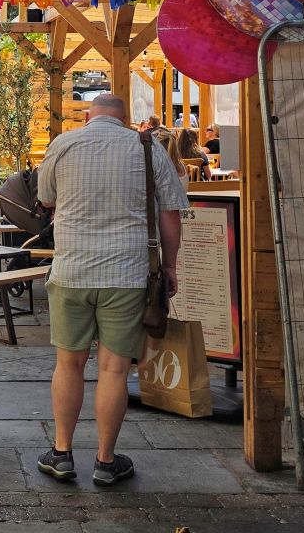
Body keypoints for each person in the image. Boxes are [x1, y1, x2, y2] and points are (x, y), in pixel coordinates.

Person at [36, 93, 186, 487]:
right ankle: (105, 461)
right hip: (127, 273)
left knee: (68, 364)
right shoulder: (149, 148)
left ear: (88, 116)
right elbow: (170, 214)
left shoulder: (63, 144)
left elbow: (45, 199)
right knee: (114, 369)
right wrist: (170, 267)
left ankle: (62, 453)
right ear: (125, 119)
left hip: (72, 270)